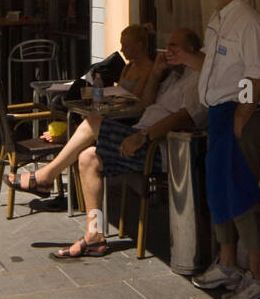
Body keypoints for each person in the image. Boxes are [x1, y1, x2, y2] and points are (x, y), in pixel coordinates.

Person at [173, 0, 260, 299]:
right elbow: (218, 68)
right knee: (219, 191)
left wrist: (242, 116)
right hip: (218, 114)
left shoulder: (249, 21)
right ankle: (229, 264)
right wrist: (185, 58)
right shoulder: (218, 19)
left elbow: (258, 73)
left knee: (242, 194)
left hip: (239, 115)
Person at [50, 27, 207, 259]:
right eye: (168, 45)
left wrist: (142, 137)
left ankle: (47, 175)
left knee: (93, 121)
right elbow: (147, 103)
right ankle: (95, 235)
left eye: (175, 46)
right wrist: (156, 73)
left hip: (159, 147)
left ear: (192, 50)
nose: (169, 50)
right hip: (141, 134)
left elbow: (184, 116)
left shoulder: (197, 79)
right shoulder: (175, 75)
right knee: (87, 158)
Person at [4, 24, 154, 195]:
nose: (122, 49)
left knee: (83, 127)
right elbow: (120, 93)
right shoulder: (128, 67)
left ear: (140, 46)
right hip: (114, 114)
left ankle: (52, 175)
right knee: (81, 122)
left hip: (128, 121)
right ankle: (58, 181)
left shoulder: (149, 69)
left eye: (126, 45)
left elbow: (135, 99)